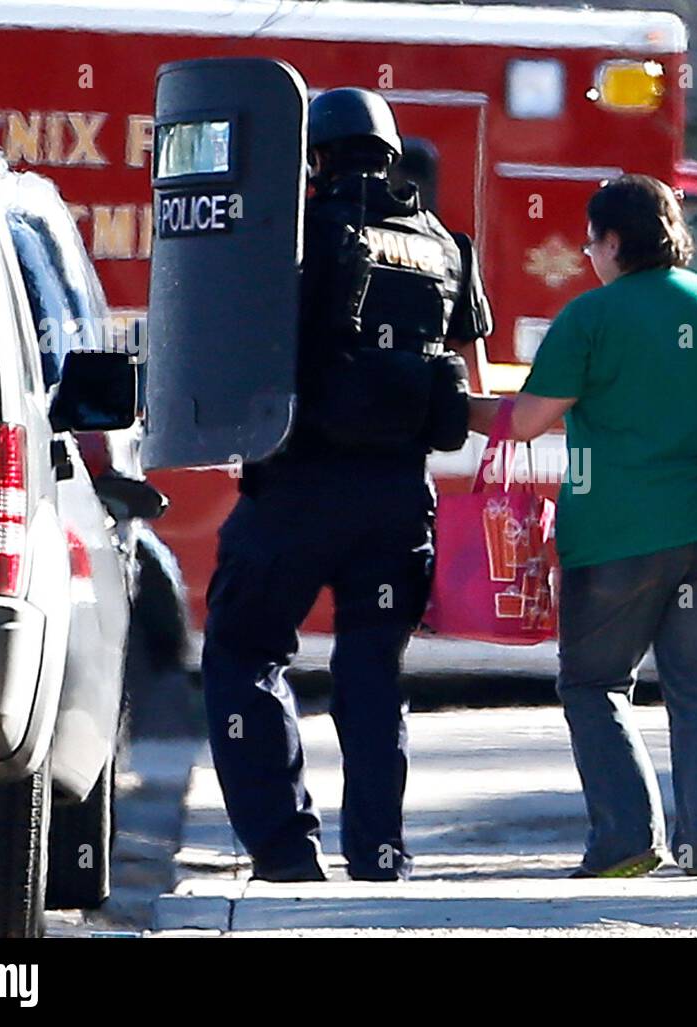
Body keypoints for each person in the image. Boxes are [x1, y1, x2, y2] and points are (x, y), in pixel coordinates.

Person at [470, 174, 697, 878]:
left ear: (613, 241)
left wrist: (450, 403)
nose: (589, 255)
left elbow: (527, 422)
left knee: (595, 683)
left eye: (592, 242)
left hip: (615, 536)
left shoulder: (590, 318)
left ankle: (627, 837)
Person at [202, 87, 492, 883]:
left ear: (318, 157)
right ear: (393, 156)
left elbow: (244, 345)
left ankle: (286, 851)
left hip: (296, 490)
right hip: (399, 500)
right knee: (373, 672)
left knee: (244, 651)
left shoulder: (298, 235)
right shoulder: (444, 244)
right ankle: (381, 853)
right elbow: (471, 376)